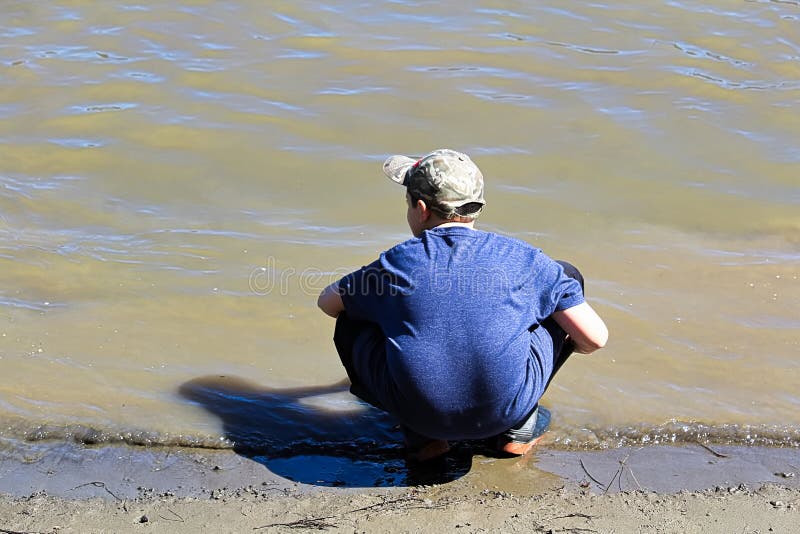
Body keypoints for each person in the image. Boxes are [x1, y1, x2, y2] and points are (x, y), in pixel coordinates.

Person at [317, 149, 608, 462]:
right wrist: (541, 342)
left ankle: (425, 440)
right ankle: (517, 430)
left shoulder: (396, 264)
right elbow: (595, 338)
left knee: (352, 315)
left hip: (420, 415)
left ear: (421, 208)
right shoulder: (524, 259)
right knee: (565, 282)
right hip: (504, 411)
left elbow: (327, 302)